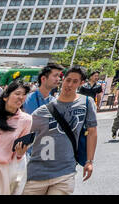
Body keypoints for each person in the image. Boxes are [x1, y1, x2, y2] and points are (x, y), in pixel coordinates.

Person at [23, 66, 96, 195]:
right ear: (63, 80)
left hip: (65, 172)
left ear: (81, 83)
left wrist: (89, 161)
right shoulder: (43, 111)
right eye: (68, 80)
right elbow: (23, 133)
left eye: (75, 81)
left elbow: (92, 132)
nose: (69, 84)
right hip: (37, 172)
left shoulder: (86, 102)